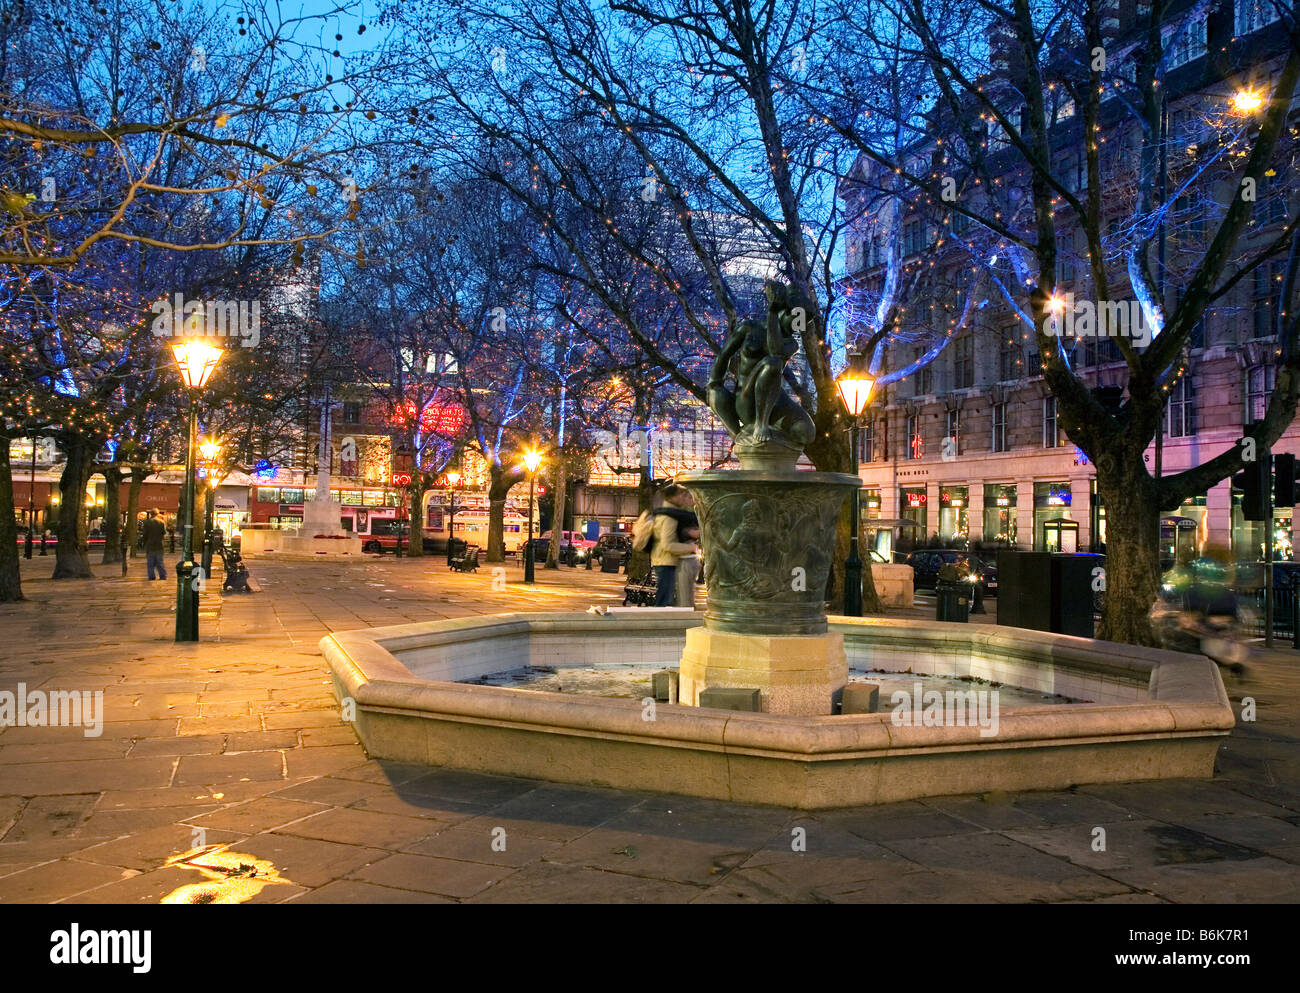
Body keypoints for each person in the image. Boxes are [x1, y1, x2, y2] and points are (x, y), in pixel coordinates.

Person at [650, 485, 698, 607]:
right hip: (666, 561)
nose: (682, 498)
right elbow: (667, 544)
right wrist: (691, 548)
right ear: (672, 497)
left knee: (666, 599)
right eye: (681, 495)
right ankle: (661, 625)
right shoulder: (670, 516)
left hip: (664, 560)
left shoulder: (669, 512)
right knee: (665, 601)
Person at [142, 510, 167, 581]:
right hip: (159, 544)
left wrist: (145, 543)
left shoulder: (147, 523)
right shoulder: (161, 522)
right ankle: (163, 576)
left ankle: (151, 576)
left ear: (151, 514)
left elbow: (145, 534)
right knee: (160, 562)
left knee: (150, 563)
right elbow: (164, 533)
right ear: (157, 514)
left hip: (150, 545)